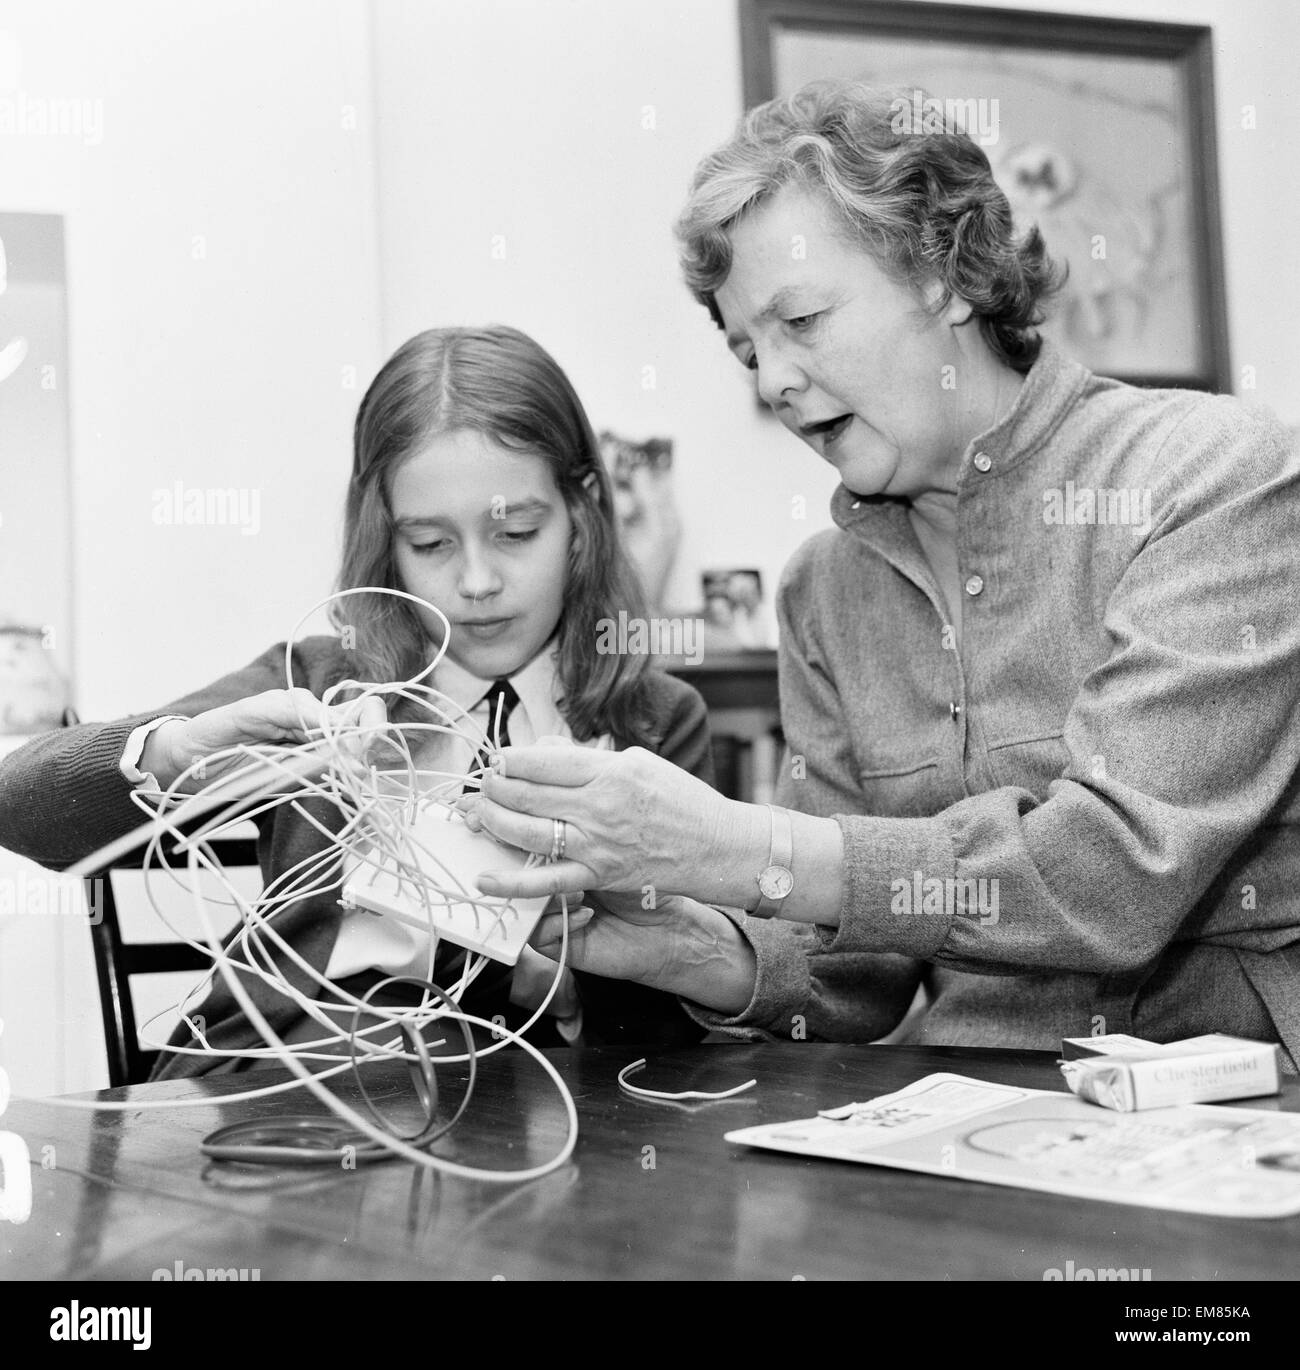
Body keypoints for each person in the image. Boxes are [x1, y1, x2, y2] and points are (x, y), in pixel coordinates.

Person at [461, 81, 1300, 1071]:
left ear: (943, 273)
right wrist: (681, 945)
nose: (772, 380)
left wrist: (736, 846)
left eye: (802, 320)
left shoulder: (1216, 477)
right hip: (957, 1125)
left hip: (1235, 1129)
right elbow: (849, 980)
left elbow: (1112, 872)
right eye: (746, 350)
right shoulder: (823, 589)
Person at [0, 325, 711, 1077]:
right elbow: (18, 805)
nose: (476, 582)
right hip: (286, 1084)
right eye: (431, 545)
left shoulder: (654, 723)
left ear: (582, 515)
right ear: (386, 539)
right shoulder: (324, 676)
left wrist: (582, 974)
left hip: (546, 1098)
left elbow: (670, 1031)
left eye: (516, 533)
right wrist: (175, 753)